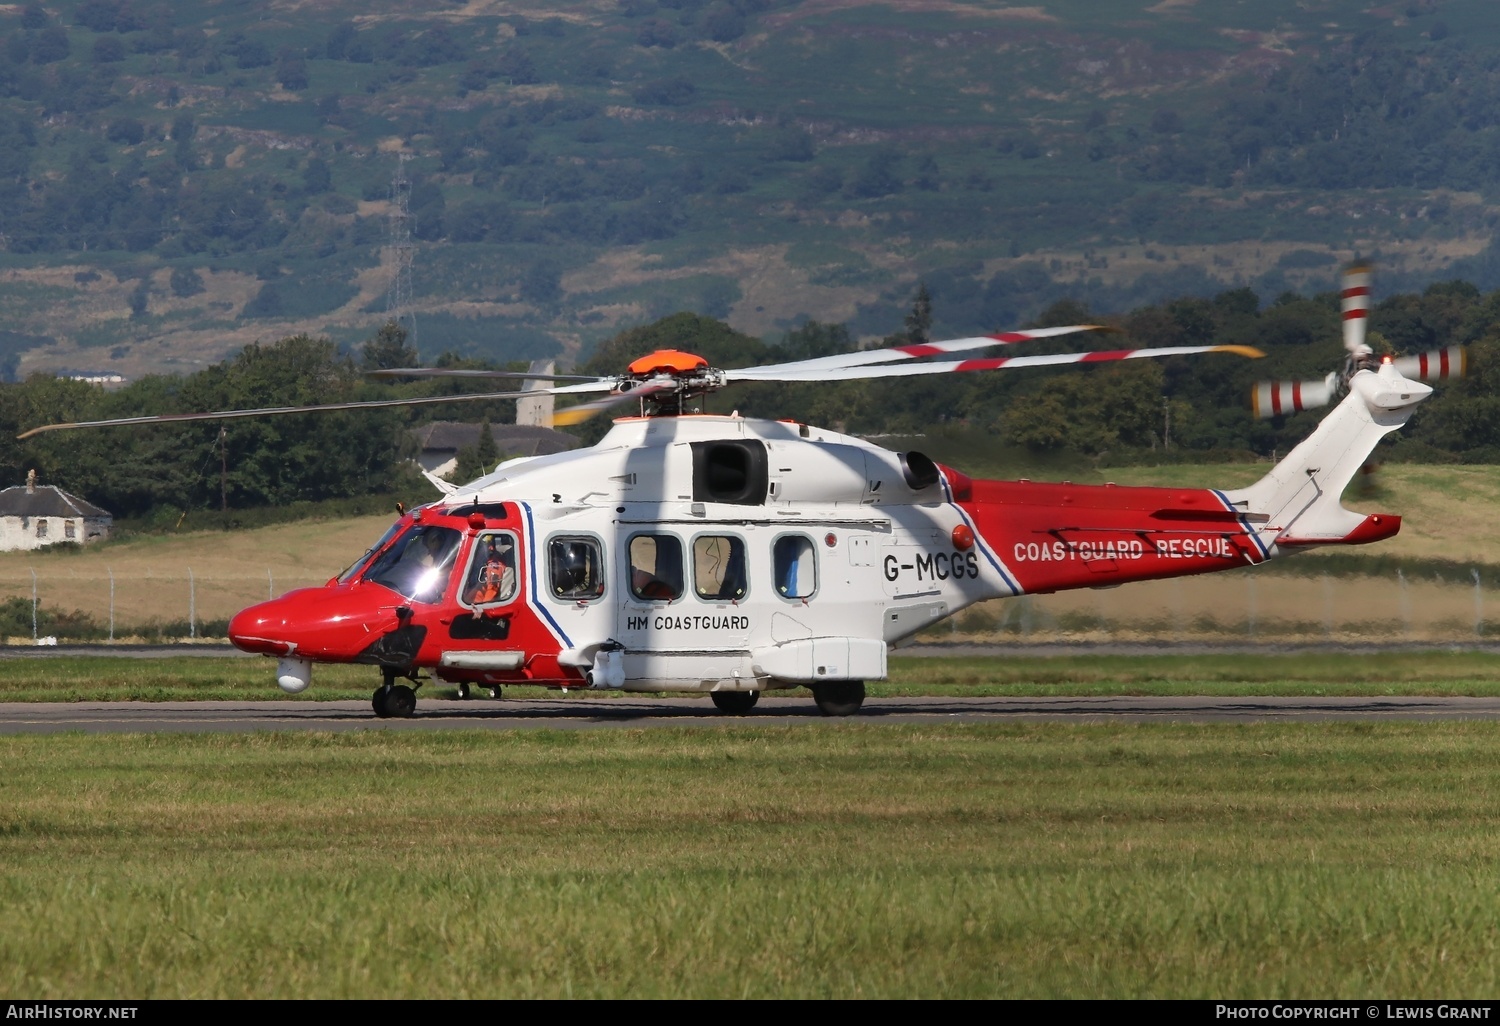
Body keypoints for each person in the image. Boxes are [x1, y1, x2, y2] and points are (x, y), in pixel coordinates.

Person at [466, 535, 516, 605]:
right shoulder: (467, 564)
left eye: (479, 547)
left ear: (490, 548)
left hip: (472, 604)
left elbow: (492, 589)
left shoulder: (494, 565)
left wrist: (480, 608)